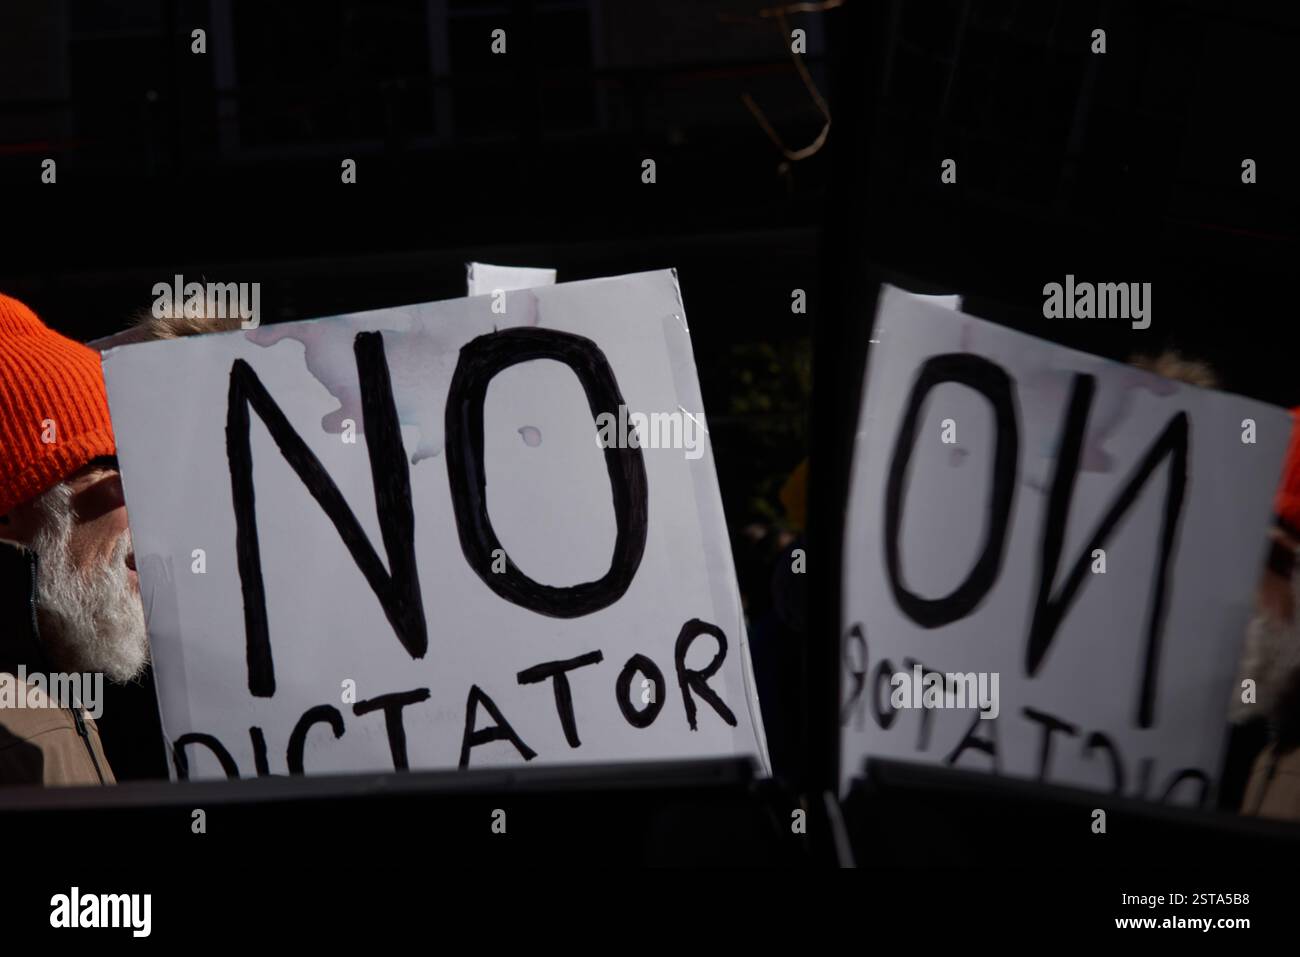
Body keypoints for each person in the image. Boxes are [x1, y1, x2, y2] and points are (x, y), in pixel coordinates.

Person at [0, 293, 146, 785]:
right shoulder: (15, 728)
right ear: (8, 514)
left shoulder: (45, 702)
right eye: (113, 468)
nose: (151, 504)